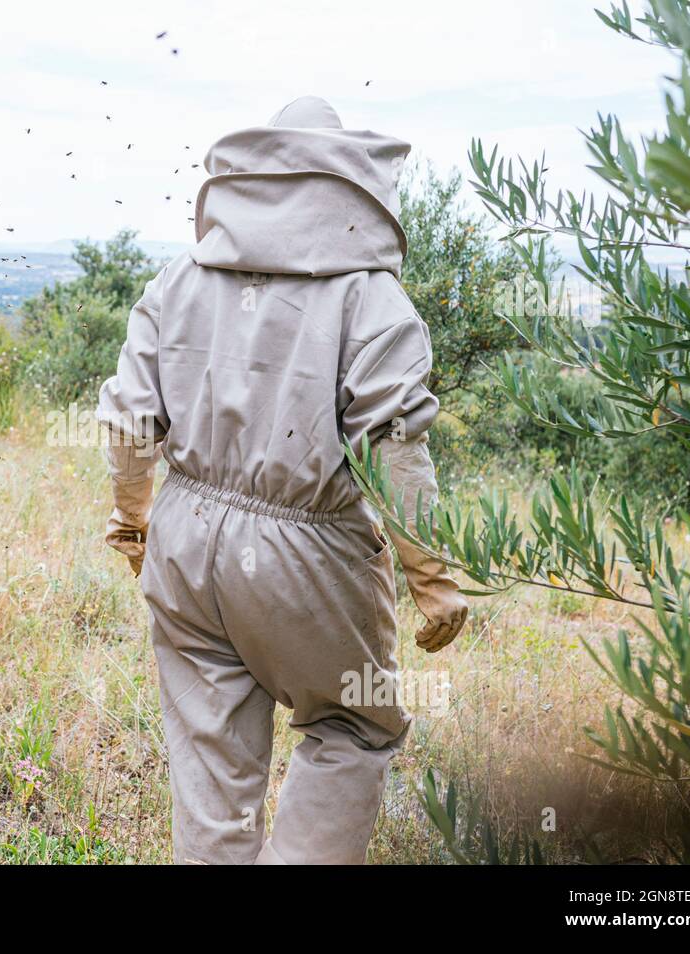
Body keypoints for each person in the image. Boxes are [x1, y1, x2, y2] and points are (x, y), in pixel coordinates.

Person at [97, 96, 468, 863]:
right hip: (311, 554)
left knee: (209, 756)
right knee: (352, 725)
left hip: (184, 540)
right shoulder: (372, 298)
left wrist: (132, 517)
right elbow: (394, 447)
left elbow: (131, 418)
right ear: (349, 185)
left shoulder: (178, 279)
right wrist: (431, 575)